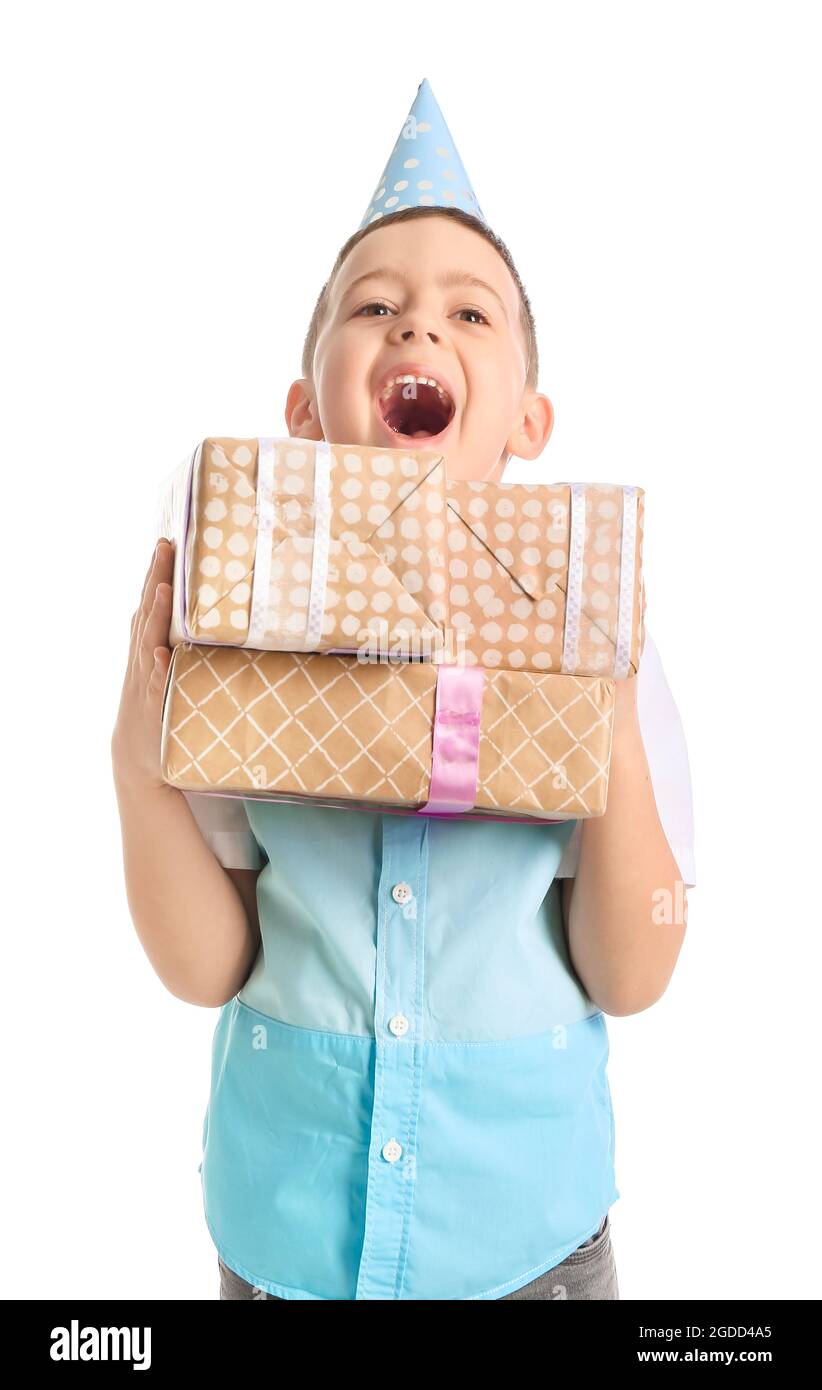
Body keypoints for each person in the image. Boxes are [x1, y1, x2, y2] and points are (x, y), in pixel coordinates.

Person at [111, 81, 695, 1301]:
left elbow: (632, 975)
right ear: (300, 414)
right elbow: (208, 964)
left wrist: (613, 732)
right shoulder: (249, 640)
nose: (417, 330)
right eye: (376, 307)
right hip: (286, 1239)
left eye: (467, 313)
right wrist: (137, 756)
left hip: (527, 1244)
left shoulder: (596, 634)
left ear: (530, 420)